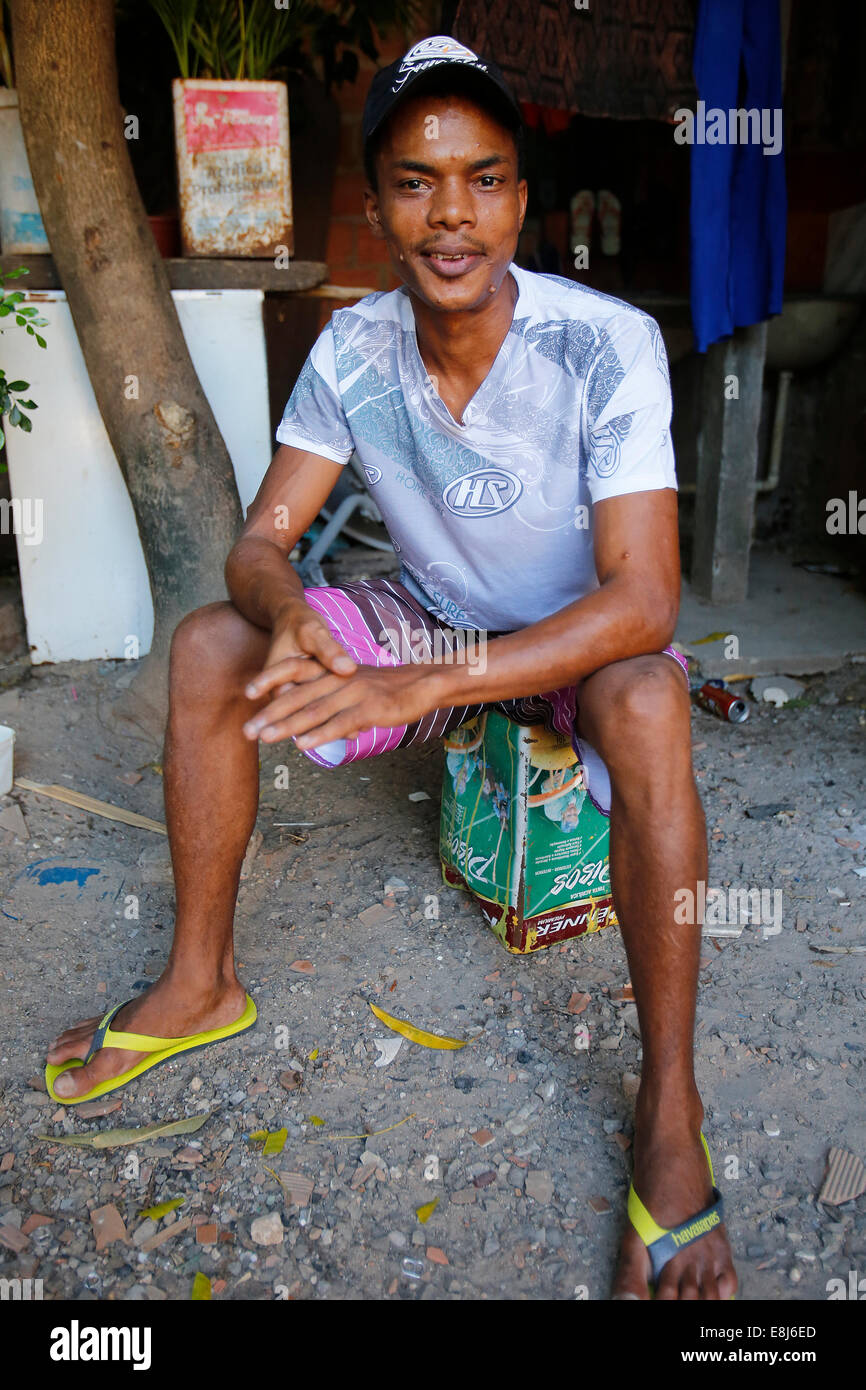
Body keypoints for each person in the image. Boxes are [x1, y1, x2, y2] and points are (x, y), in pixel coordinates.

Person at [45, 34, 736, 1301]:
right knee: (210, 642)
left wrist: (425, 683)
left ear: (521, 200)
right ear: (377, 205)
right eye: (416, 182)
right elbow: (259, 540)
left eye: (482, 178)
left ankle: (669, 1113)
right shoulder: (356, 351)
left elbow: (642, 598)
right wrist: (289, 606)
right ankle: (201, 981)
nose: (451, 213)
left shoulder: (604, 343)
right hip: (427, 615)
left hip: (572, 639)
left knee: (644, 702)